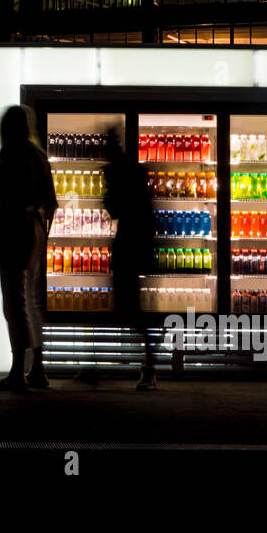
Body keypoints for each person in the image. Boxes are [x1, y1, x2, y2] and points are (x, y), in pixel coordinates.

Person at [0, 104, 57, 392]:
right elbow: (51, 203)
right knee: (32, 302)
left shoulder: (10, 153)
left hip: (13, 229)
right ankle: (38, 368)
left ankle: (17, 372)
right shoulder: (39, 155)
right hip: (35, 230)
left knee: (14, 303)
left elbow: (2, 200)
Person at [102, 129, 159, 390]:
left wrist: (108, 192)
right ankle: (147, 363)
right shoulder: (137, 170)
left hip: (128, 244)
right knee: (131, 308)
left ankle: (149, 365)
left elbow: (114, 209)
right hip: (139, 244)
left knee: (131, 309)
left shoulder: (117, 173)